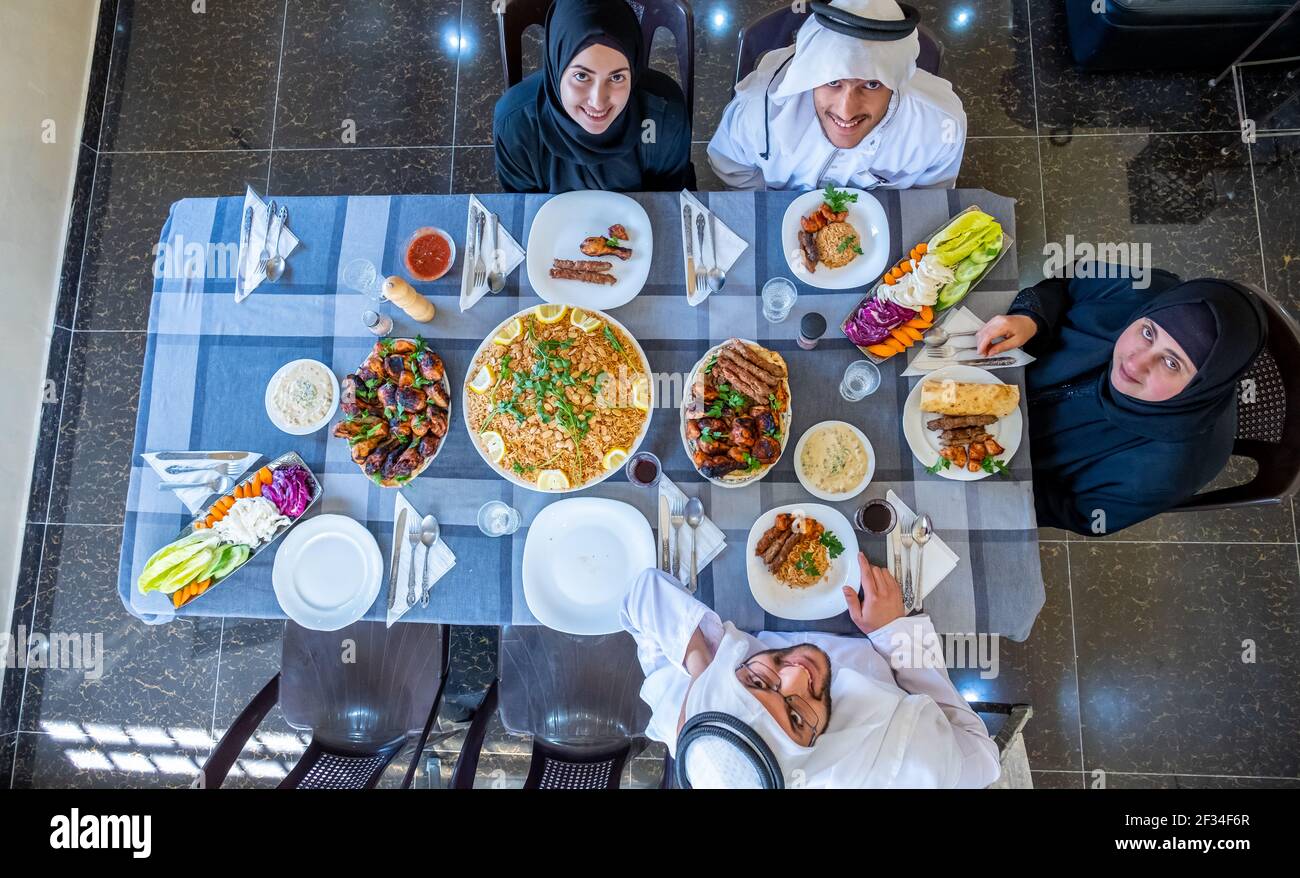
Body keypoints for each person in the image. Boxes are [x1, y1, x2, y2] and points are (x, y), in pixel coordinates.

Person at [620, 559, 1001, 788]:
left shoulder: (696, 730)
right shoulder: (912, 767)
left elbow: (642, 593)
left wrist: (704, 675)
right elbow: (983, 755)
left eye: (757, 682)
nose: (799, 676)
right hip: (875, 638)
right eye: (797, 717)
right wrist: (894, 631)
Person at [975, 267, 1268, 536]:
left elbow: (1077, 513)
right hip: (984, 369)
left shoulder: (1165, 472)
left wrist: (995, 475)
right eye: (1148, 332)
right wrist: (1032, 317)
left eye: (1171, 363)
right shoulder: (1143, 290)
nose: (1136, 362)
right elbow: (1068, 283)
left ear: (1201, 387)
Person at [707, 0, 966, 192]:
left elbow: (931, 201)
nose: (846, 110)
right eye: (833, 82)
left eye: (872, 84)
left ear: (895, 81)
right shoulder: (756, 110)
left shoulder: (940, 127)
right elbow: (732, 166)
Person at [492, 0, 691, 194]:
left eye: (616, 76)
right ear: (556, 67)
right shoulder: (516, 125)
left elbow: (669, 201)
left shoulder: (665, 115)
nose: (597, 102)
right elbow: (523, 207)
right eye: (582, 76)